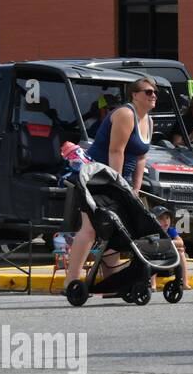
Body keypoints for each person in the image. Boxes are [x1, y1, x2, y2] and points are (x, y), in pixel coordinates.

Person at [63, 77, 158, 287]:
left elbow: (142, 157)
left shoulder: (148, 120)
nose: (153, 96)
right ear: (134, 94)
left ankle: (110, 282)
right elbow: (116, 151)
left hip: (119, 179)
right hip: (96, 177)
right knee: (90, 229)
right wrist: (118, 187)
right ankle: (71, 282)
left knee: (116, 228)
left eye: (155, 92)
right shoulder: (126, 114)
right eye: (148, 92)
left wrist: (135, 187)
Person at [151, 205, 189, 290]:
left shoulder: (171, 231)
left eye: (167, 218)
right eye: (161, 218)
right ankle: (153, 285)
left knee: (181, 253)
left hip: (169, 266)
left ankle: (185, 283)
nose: (165, 221)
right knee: (152, 254)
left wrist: (168, 243)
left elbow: (180, 242)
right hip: (155, 266)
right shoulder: (153, 232)